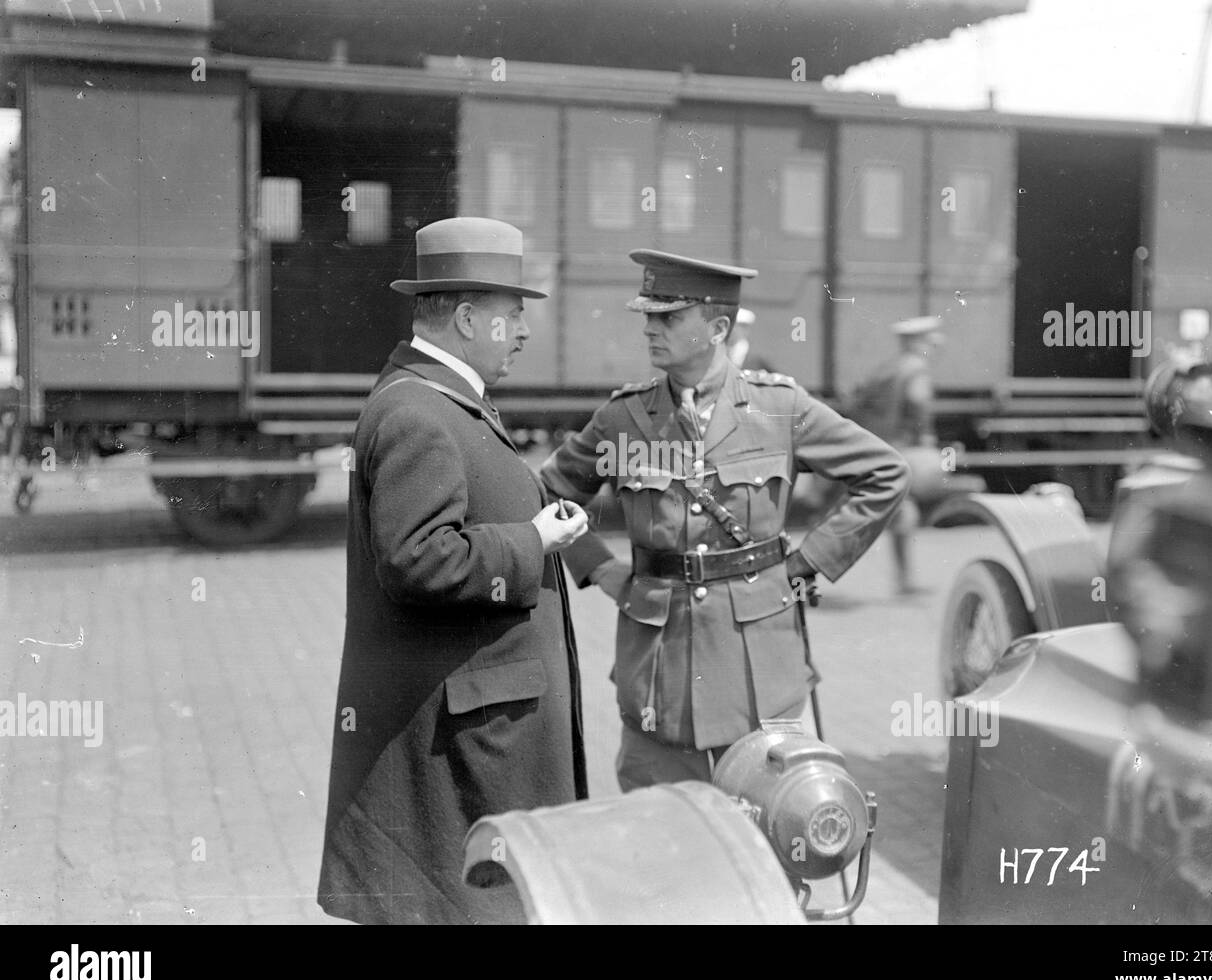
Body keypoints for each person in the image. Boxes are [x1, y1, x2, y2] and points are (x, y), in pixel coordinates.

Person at [540, 249, 909, 790]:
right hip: (658, 675)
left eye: (668, 317)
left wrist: (808, 564)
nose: (650, 328)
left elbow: (886, 472)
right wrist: (599, 567)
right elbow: (550, 490)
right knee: (663, 829)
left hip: (760, 672)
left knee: (775, 830)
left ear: (717, 327)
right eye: (647, 315)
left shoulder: (779, 408)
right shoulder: (622, 418)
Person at [318, 217, 590, 924]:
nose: (524, 331)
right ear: (468, 318)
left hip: (478, 732)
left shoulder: (433, 397)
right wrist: (532, 540)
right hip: (467, 750)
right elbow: (417, 559)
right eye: (514, 314)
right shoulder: (420, 413)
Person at [847, 315, 945, 595]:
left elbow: (858, 402)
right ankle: (903, 580)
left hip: (879, 446)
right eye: (931, 343)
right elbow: (918, 403)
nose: (935, 349)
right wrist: (926, 439)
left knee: (901, 511)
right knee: (898, 511)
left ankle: (904, 579)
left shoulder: (888, 368)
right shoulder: (916, 370)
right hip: (901, 449)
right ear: (917, 342)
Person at [725, 306, 776, 373]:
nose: (734, 330)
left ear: (746, 330)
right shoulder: (715, 354)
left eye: (740, 327)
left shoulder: (758, 360)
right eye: (731, 326)